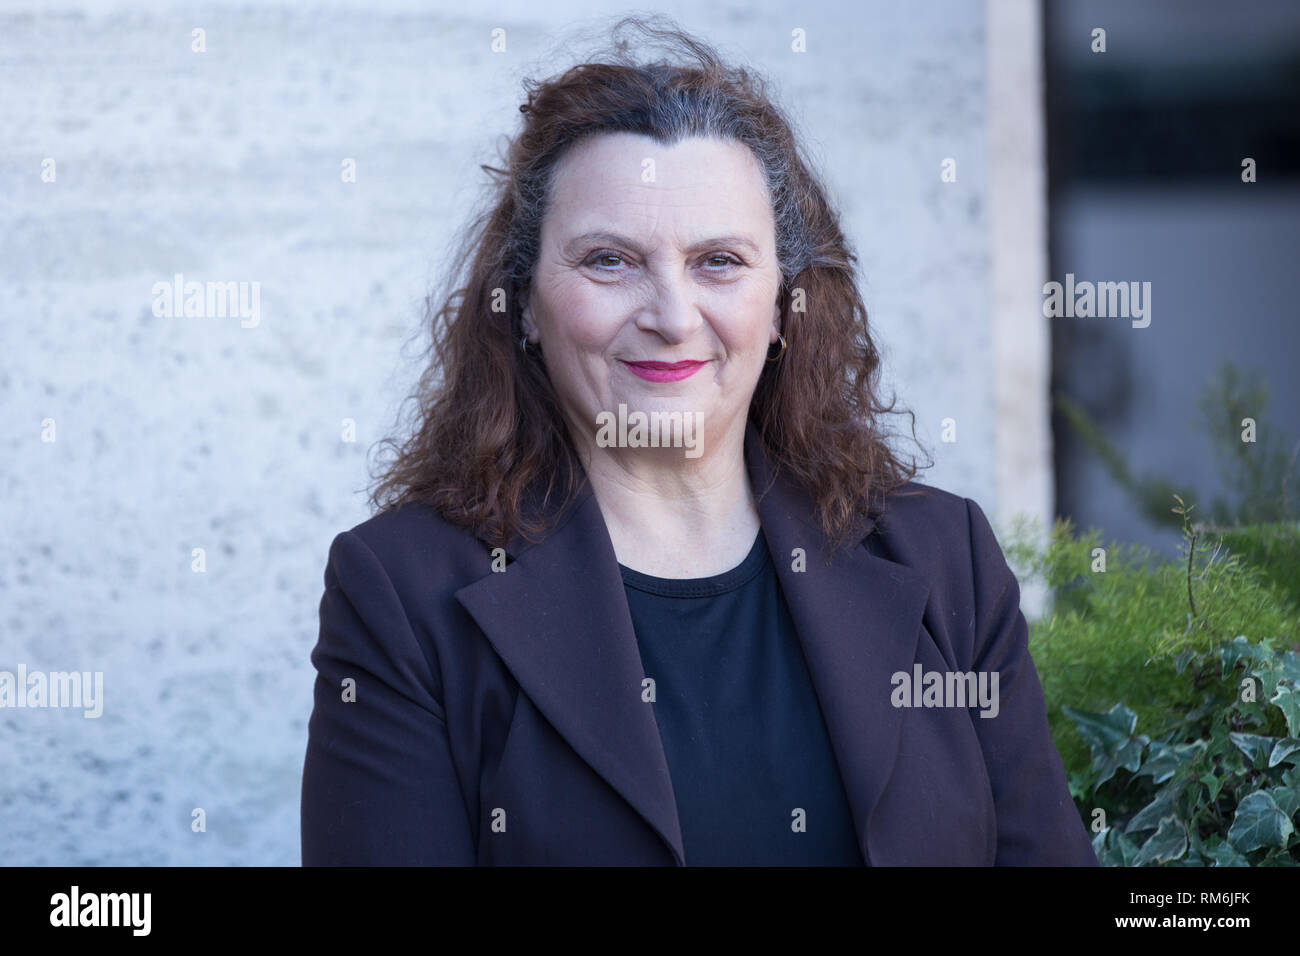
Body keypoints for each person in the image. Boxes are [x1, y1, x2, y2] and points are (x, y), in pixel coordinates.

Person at [300, 16, 1097, 866]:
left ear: (788, 302)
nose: (673, 317)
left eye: (719, 261)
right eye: (610, 260)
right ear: (525, 303)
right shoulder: (402, 594)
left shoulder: (945, 559)